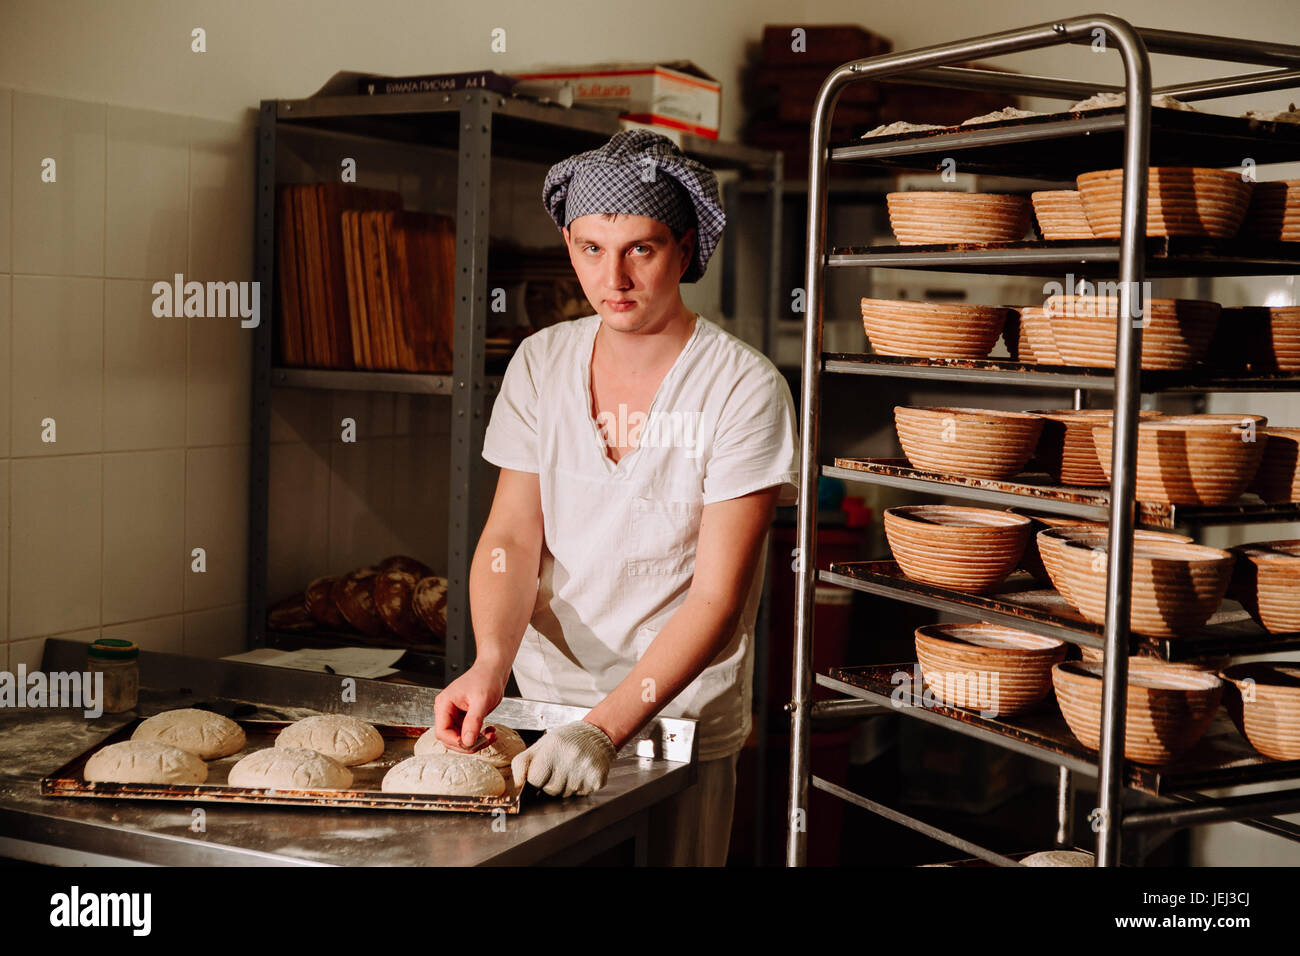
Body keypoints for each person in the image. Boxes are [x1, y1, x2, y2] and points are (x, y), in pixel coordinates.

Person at [433, 128, 798, 865]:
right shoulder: (542, 363)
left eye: (642, 248)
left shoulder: (742, 388)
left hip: (677, 720)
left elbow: (715, 598)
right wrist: (491, 665)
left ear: (687, 248)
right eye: (591, 248)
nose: (615, 278)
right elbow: (510, 538)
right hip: (541, 700)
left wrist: (605, 728)